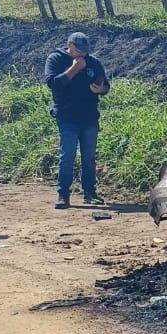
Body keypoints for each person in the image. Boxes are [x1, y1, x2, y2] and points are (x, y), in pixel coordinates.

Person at [45, 31, 110, 209]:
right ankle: (63, 195)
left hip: (89, 117)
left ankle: (89, 193)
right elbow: (53, 83)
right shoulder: (55, 59)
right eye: (79, 50)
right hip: (67, 117)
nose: (83, 54)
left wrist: (101, 89)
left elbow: (105, 85)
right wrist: (74, 68)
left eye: (85, 51)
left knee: (89, 158)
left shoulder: (94, 62)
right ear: (70, 46)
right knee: (67, 156)